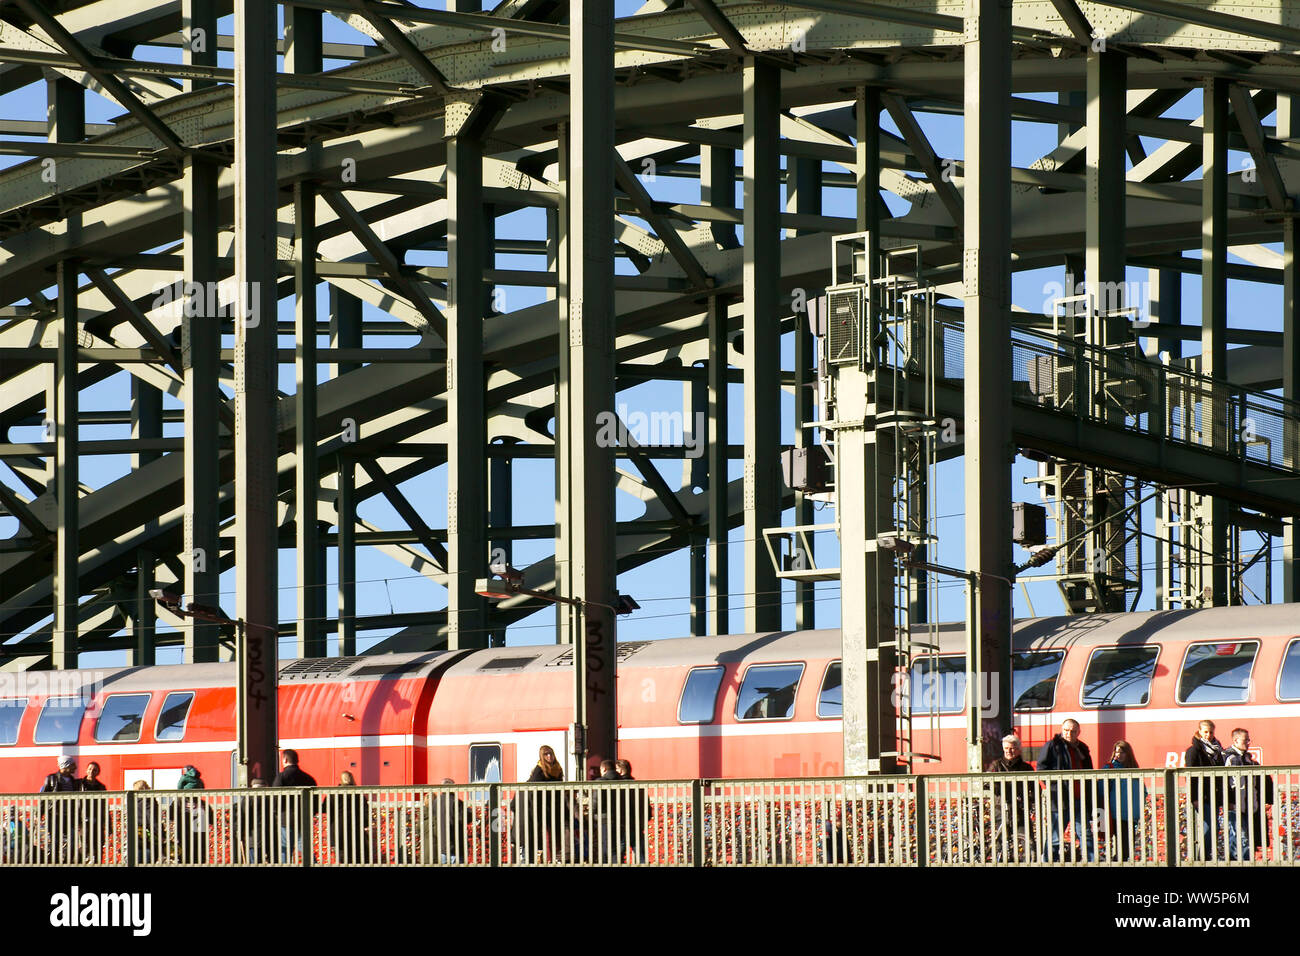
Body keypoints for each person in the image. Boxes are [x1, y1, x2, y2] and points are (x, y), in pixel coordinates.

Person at [1037, 719, 1094, 861]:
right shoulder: (1052, 746)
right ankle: (1049, 862)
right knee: (1055, 836)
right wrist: (1053, 787)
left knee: (1085, 834)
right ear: (1062, 730)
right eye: (1066, 730)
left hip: (1079, 798)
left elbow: (1089, 771)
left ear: (1078, 732)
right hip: (1060, 799)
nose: (1069, 734)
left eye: (1073, 731)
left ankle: (1092, 862)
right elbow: (1041, 768)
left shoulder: (1083, 748)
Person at [1222, 729, 1273, 861]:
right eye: (1246, 740)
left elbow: (1263, 780)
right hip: (1236, 805)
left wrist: (1266, 799)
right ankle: (1240, 862)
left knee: (1247, 838)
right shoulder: (1230, 758)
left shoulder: (1248, 759)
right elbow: (1226, 782)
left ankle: (1245, 861)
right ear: (1236, 741)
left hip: (1249, 806)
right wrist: (1230, 801)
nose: (1249, 743)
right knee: (1240, 838)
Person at [984, 733, 1035, 860]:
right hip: (999, 807)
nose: (1009, 751)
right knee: (1000, 843)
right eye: (1006, 748)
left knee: (1027, 842)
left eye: (1012, 748)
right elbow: (985, 782)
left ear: (1018, 749)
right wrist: (996, 787)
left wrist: (1032, 803)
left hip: (1020, 808)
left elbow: (1034, 788)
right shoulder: (996, 765)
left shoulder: (1026, 768)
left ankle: (1028, 861)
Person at [1184, 719, 1225, 861]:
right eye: (1205, 732)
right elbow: (1190, 776)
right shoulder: (1193, 751)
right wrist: (1194, 797)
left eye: (1211, 732)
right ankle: (1202, 856)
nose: (1208, 735)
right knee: (1212, 826)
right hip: (1202, 795)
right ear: (1200, 732)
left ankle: (1204, 855)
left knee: (1213, 826)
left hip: (1214, 794)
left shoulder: (1218, 750)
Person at [1100, 740, 1144, 862]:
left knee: (1127, 845)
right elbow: (1101, 790)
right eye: (1117, 751)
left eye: (1122, 752)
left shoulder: (1135, 770)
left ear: (1128, 754)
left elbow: (1142, 790)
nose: (1118, 754)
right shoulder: (1109, 768)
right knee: (1123, 844)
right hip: (1116, 812)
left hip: (1131, 814)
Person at [518, 745, 565, 862]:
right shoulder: (539, 770)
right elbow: (534, 791)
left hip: (556, 806)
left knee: (557, 834)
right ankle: (550, 859)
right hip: (543, 808)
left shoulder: (558, 769)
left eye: (551, 753)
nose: (549, 756)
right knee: (547, 835)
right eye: (546, 754)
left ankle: (556, 857)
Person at [271, 749, 317, 861]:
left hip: (286, 819)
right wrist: (311, 813)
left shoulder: (281, 777)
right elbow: (315, 799)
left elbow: (275, 798)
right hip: (304, 818)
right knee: (305, 848)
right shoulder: (308, 778)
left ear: (285, 760)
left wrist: (275, 813)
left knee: (285, 850)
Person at [39, 755, 85, 863]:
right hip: (55, 815)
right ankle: (54, 862)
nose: (75, 767)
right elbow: (43, 797)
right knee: (55, 840)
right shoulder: (51, 778)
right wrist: (39, 813)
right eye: (73, 765)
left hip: (70, 816)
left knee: (73, 839)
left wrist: (78, 817)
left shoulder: (74, 781)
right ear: (66, 765)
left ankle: (68, 861)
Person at [327, 771, 372, 865]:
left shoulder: (333, 794)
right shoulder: (358, 794)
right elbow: (365, 812)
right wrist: (365, 824)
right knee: (359, 857)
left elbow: (324, 808)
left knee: (343, 858)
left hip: (338, 831)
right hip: (355, 831)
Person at [615, 758, 648, 864]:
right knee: (640, 855)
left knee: (617, 855)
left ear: (620, 770)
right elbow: (646, 806)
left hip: (623, 826)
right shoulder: (638, 785)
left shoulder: (618, 786)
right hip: (637, 825)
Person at [432, 778, 467, 864]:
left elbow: (433, 819)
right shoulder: (457, 802)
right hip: (456, 844)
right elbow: (462, 819)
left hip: (441, 845)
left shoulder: (436, 802)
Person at [79, 761, 108, 864]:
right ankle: (86, 861)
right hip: (83, 819)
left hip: (97, 819)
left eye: (94, 770)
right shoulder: (80, 784)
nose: (92, 771)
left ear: (98, 772)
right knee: (85, 842)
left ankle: (97, 862)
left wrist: (107, 823)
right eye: (90, 769)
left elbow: (105, 806)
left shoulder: (101, 787)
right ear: (87, 770)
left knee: (98, 842)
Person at [131, 780, 160, 864]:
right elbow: (152, 818)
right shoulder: (149, 800)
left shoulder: (133, 801)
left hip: (138, 834)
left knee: (138, 859)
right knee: (149, 860)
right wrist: (159, 833)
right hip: (150, 835)